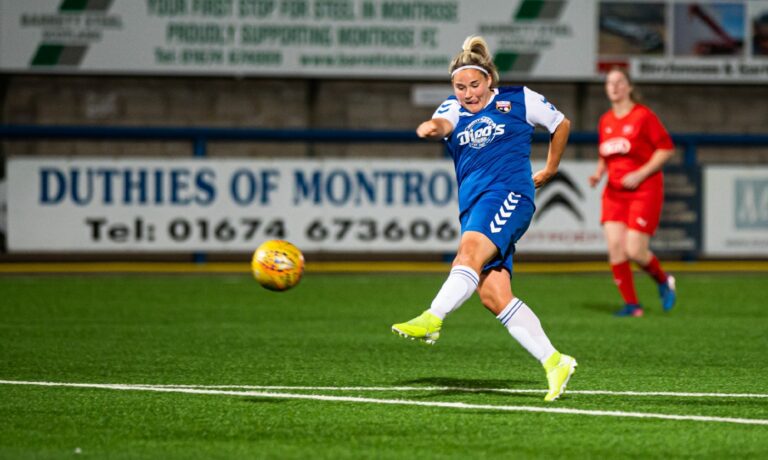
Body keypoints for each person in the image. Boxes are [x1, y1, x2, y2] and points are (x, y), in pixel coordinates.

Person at [391, 35, 576, 402]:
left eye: (474, 84)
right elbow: (443, 123)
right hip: (474, 207)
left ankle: (433, 317)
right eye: (460, 87)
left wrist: (551, 169)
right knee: (493, 295)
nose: (467, 93)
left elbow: (561, 123)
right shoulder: (452, 108)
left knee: (468, 255)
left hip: (510, 194)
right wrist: (433, 128)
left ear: (489, 79)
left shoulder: (519, 99)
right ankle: (555, 361)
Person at [588, 67, 677, 317]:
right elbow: (606, 153)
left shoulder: (643, 116)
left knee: (634, 250)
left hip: (644, 189)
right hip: (614, 191)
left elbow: (666, 149)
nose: (614, 87)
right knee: (615, 249)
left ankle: (663, 281)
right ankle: (633, 305)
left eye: (619, 82)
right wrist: (598, 173)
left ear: (629, 87)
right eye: (609, 83)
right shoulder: (605, 120)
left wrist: (640, 173)